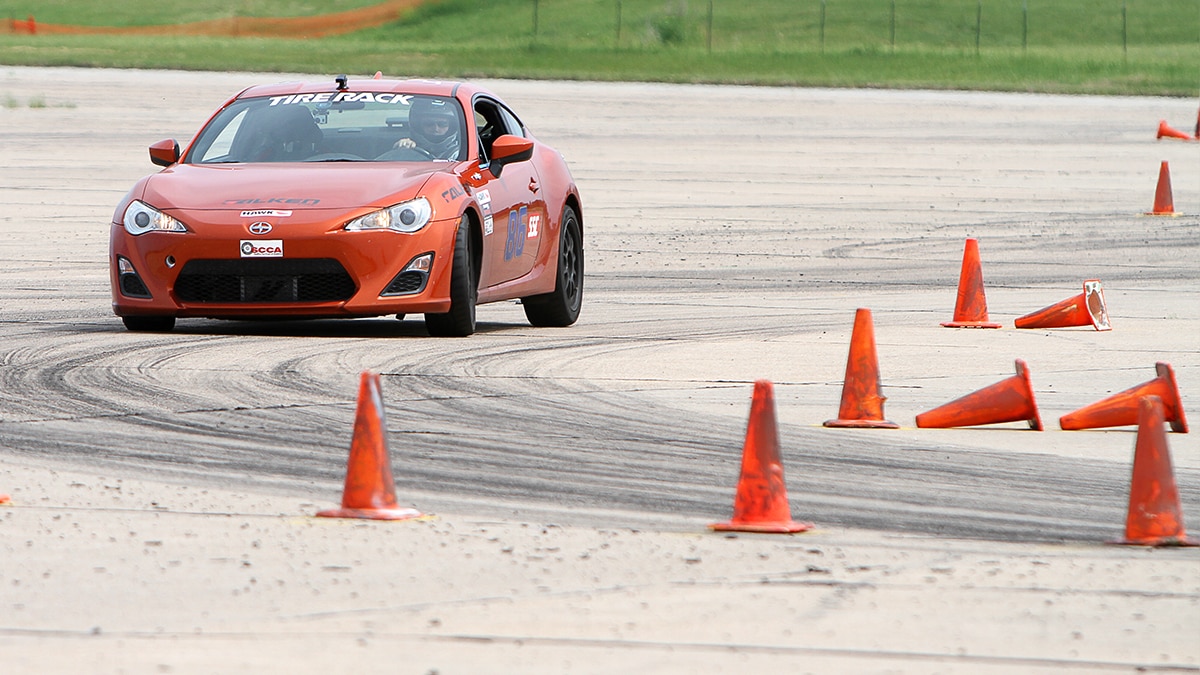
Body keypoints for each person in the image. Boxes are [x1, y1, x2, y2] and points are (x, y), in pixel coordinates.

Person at [393, 97, 462, 160]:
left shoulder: (464, 150)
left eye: (442, 124)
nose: (436, 128)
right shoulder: (408, 147)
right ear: (418, 126)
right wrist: (402, 149)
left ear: (452, 126)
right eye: (429, 124)